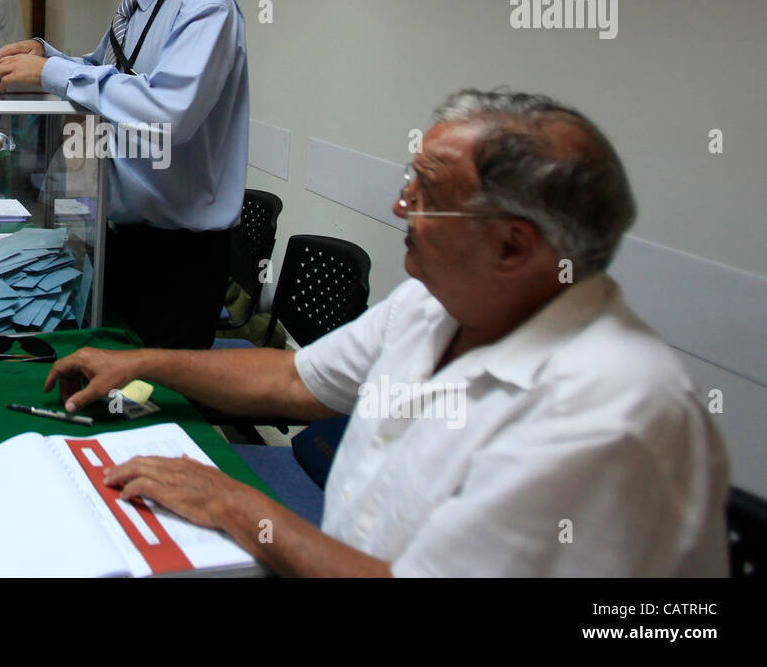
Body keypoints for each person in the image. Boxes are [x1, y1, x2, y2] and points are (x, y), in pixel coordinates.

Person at [45, 90, 729, 576]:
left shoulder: (607, 412)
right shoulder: (440, 304)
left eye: (428, 192)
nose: (401, 206)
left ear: (515, 246)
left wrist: (228, 500)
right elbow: (292, 379)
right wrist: (142, 362)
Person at [0, 0, 249, 349]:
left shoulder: (204, 8)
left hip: (176, 260)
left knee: (157, 404)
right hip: (118, 240)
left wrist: (54, 72)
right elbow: (111, 73)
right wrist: (46, 56)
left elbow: (167, 112)